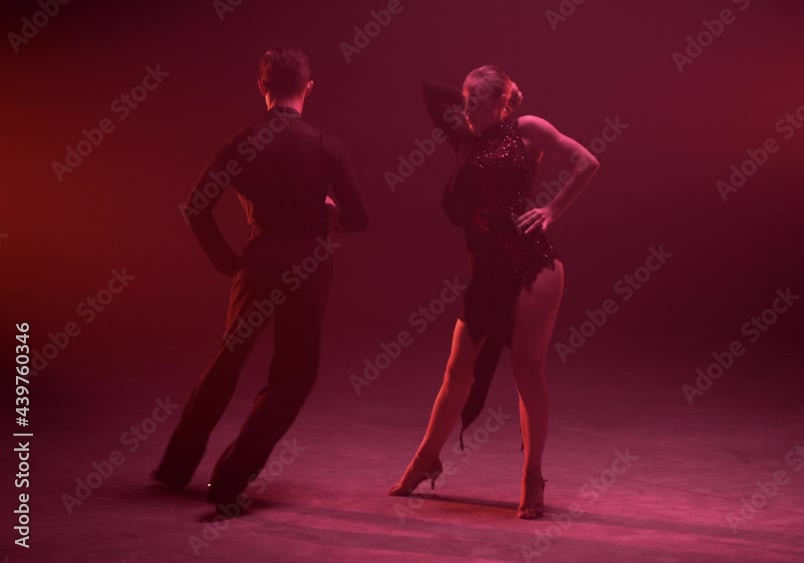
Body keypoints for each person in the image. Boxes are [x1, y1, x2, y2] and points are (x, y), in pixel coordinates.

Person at [152, 45, 368, 511]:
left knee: (228, 360)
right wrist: (328, 213)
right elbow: (360, 217)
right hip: (309, 264)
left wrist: (227, 261)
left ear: (262, 87)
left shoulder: (241, 141)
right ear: (308, 88)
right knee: (294, 373)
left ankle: (174, 468)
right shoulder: (326, 144)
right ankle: (230, 478)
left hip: (259, 259)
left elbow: (195, 207)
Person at [388, 65, 599, 519]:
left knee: (527, 370)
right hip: (487, 270)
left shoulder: (527, 128)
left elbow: (586, 162)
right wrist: (475, 89)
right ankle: (426, 460)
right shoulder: (465, 137)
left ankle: (532, 476)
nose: (465, 110)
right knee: (456, 372)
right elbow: (429, 89)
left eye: (475, 103)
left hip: (531, 263)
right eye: (464, 101)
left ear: (500, 103)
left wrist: (552, 209)